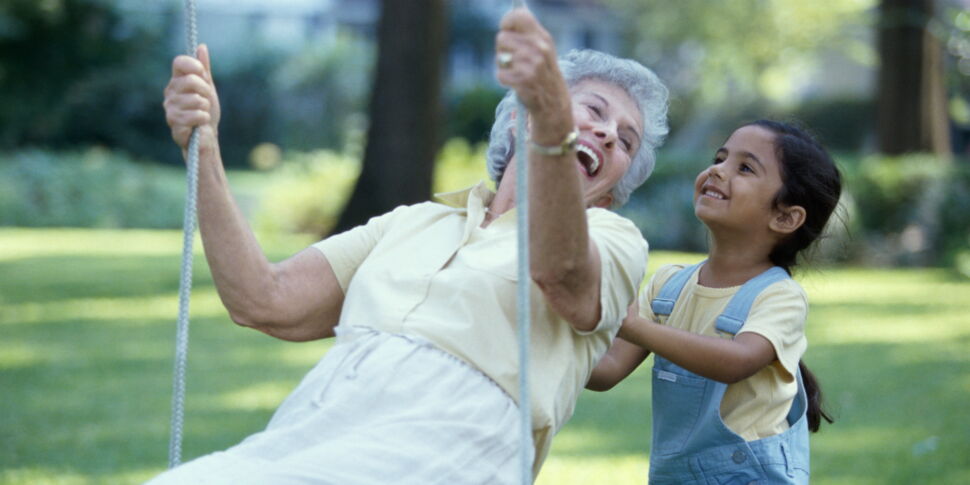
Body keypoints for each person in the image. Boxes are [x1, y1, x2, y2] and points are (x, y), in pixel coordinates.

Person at [153, 7, 668, 484]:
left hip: (453, 443)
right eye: (594, 110)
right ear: (519, 115)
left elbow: (566, 275)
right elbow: (264, 300)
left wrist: (559, 128)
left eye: (625, 140)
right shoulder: (417, 222)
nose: (605, 133)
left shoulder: (614, 241)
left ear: (616, 187)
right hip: (318, 424)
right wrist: (206, 145)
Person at [587, 120, 840, 484]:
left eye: (745, 167)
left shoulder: (780, 296)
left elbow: (736, 361)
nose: (718, 170)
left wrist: (633, 326)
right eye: (720, 158)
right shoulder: (667, 286)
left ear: (785, 217)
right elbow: (606, 370)